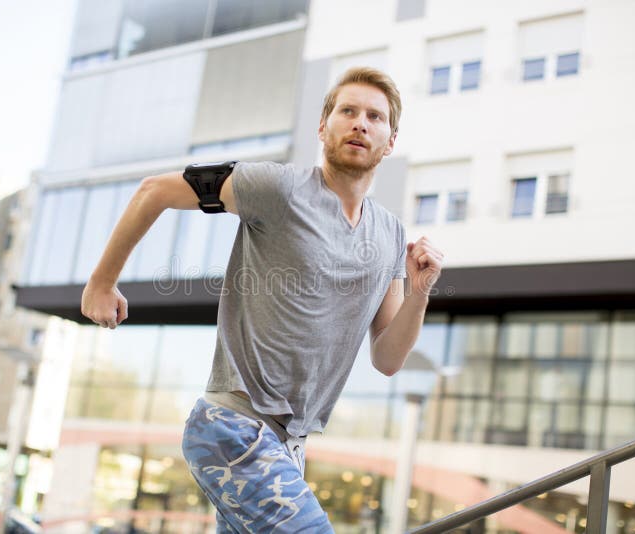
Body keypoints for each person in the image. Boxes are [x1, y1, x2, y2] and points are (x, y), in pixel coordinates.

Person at [81, 67, 444, 532]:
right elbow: (154, 191)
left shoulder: (390, 234)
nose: (360, 123)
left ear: (390, 141)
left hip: (290, 450)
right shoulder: (278, 188)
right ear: (323, 126)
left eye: (375, 116)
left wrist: (420, 291)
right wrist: (101, 282)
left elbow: (388, 358)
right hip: (233, 427)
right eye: (347, 111)